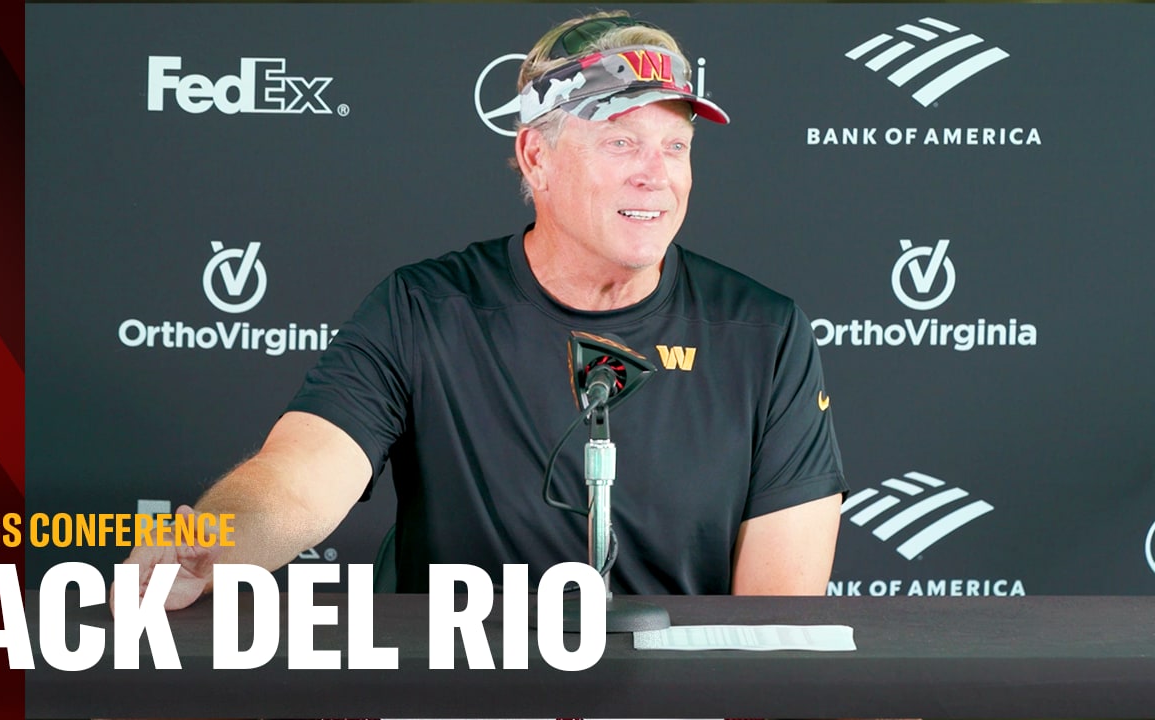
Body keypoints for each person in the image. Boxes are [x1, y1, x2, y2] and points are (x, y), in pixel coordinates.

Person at [114, 10, 847, 611]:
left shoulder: (764, 333)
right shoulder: (425, 307)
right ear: (536, 157)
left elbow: (776, 617)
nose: (655, 176)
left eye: (676, 147)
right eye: (621, 141)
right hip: (454, 692)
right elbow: (300, 479)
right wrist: (211, 547)